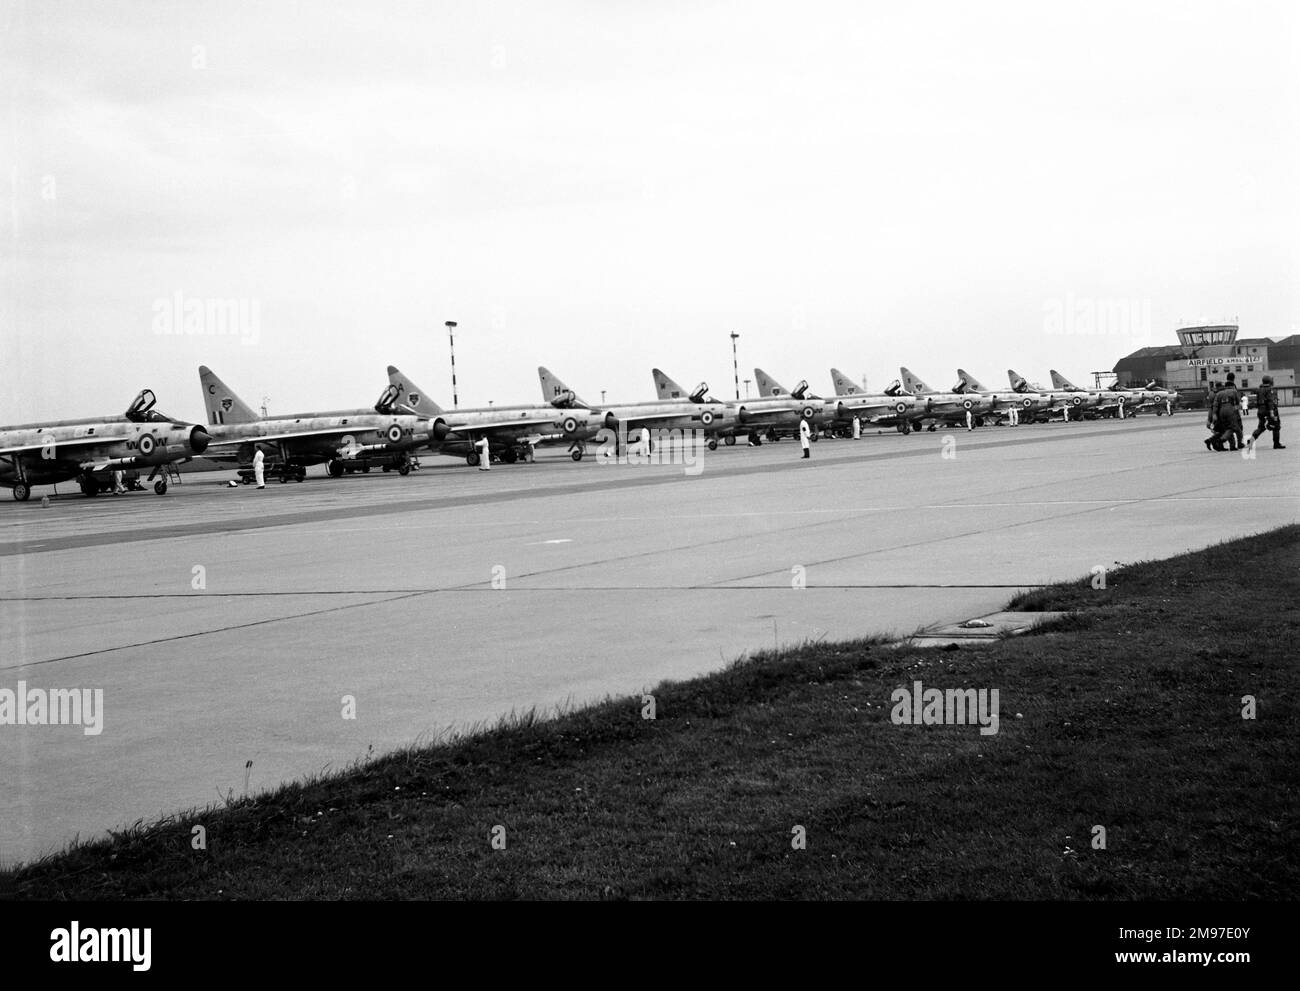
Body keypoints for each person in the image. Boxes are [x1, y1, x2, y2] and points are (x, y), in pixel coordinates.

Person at [1205, 373, 1243, 452]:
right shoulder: (1231, 391)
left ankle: (1215, 442)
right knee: (1231, 428)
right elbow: (1237, 404)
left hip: (1215, 412)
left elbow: (1214, 405)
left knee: (1222, 429)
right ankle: (1222, 442)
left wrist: (1213, 414)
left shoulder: (1214, 393)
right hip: (1227, 412)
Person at [1248, 375, 1285, 449]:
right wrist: (1271, 412)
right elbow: (1270, 401)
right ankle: (1276, 444)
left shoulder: (1259, 389)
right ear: (1269, 381)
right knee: (1276, 426)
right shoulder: (1269, 389)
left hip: (1261, 411)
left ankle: (1251, 440)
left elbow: (1258, 401)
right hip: (1268, 411)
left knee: (1261, 427)